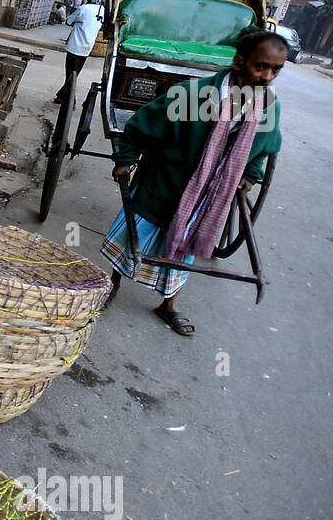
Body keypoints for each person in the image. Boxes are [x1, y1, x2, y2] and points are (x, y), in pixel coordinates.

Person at [101, 31, 288, 337]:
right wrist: (125, 158)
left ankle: (169, 304)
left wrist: (250, 174)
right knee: (134, 237)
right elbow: (142, 125)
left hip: (208, 195)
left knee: (184, 245)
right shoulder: (192, 96)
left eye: (276, 70)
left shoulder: (267, 106)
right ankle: (111, 285)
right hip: (164, 179)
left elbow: (261, 148)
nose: (268, 76)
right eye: (261, 67)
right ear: (239, 62)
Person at [54, 0, 104, 103]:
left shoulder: (83, 8)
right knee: (75, 74)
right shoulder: (102, 10)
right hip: (87, 47)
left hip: (75, 46)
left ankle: (71, 100)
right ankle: (61, 95)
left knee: (70, 74)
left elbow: (68, 21)